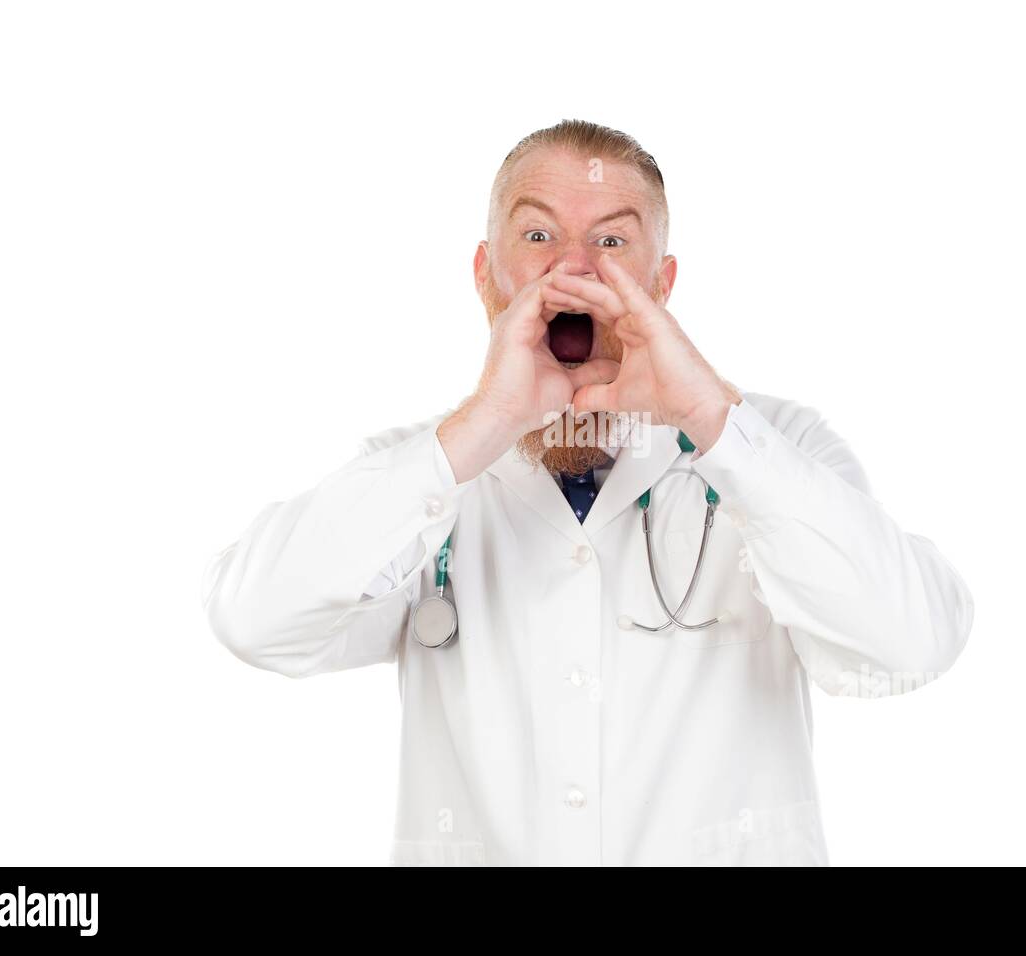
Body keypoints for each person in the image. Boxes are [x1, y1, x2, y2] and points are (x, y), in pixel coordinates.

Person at [201, 119, 975, 866]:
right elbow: (254, 619)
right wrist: (484, 426)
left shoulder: (775, 448)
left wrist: (711, 420)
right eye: (537, 236)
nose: (573, 269)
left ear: (660, 285)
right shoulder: (420, 475)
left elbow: (909, 646)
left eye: (611, 240)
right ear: (485, 276)